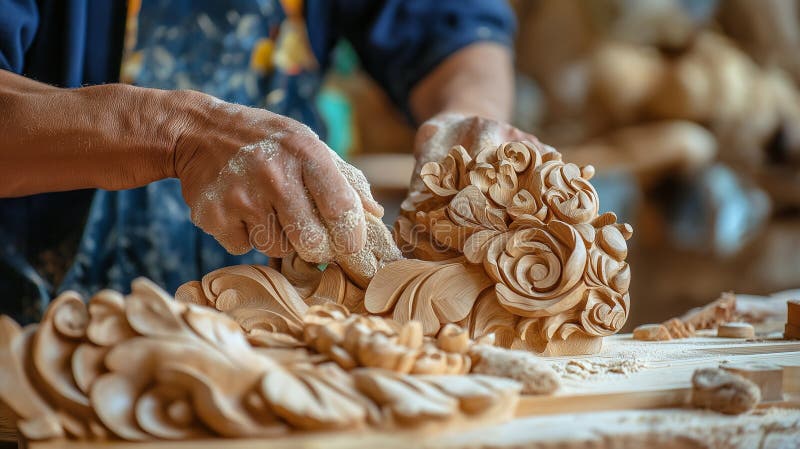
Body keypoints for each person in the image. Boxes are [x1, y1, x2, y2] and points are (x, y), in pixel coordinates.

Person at [0, 0, 533, 322]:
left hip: (269, 315)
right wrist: (178, 134)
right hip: (32, 325)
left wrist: (469, 127)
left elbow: (455, 27)